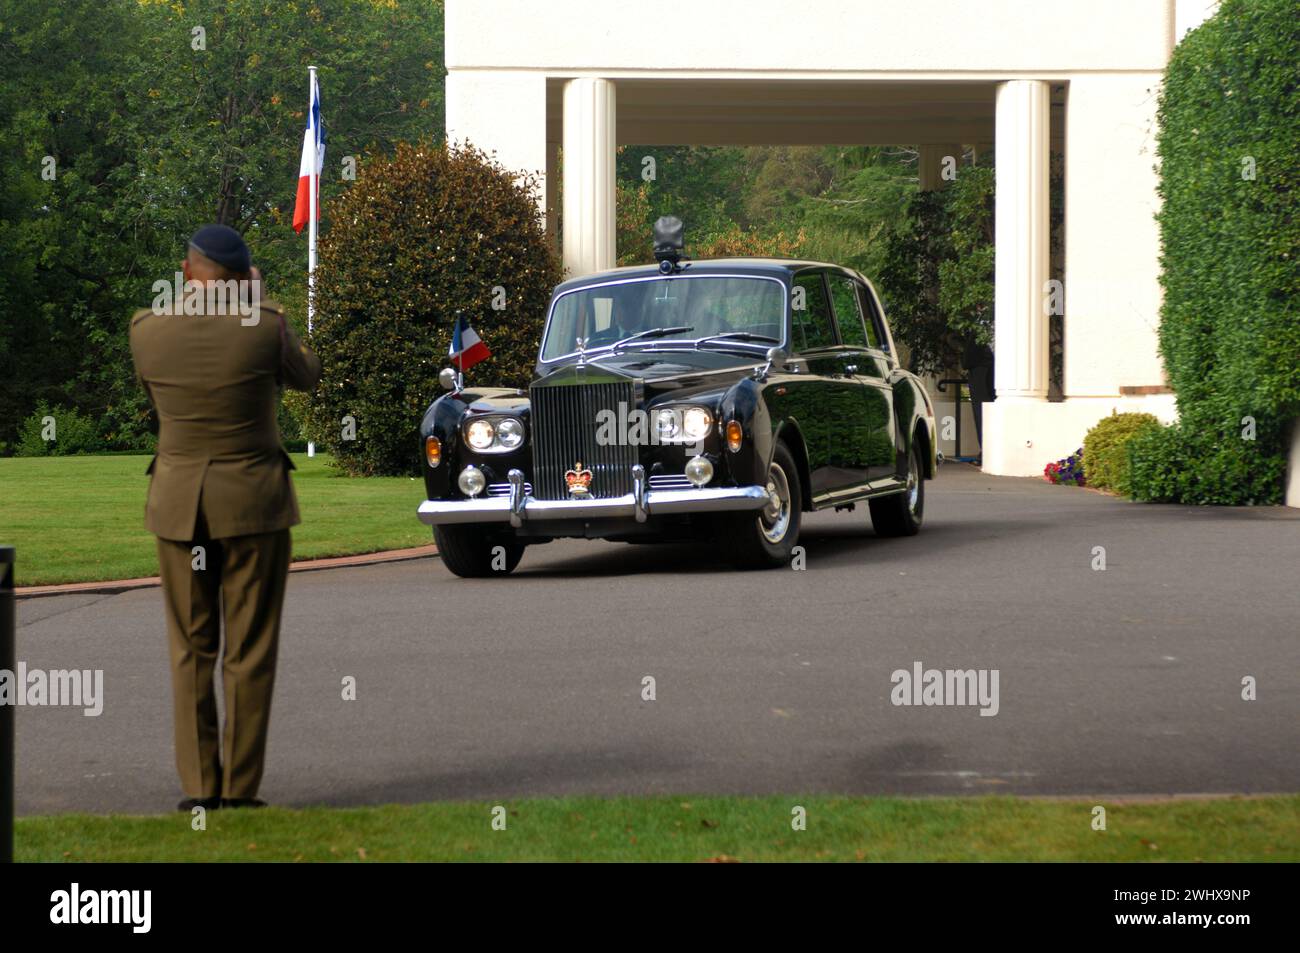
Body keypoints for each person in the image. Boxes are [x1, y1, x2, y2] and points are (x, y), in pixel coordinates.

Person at [130, 224, 321, 811]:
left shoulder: (147, 330)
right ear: (242, 276)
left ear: (188, 272)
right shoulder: (265, 325)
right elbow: (307, 376)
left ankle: (199, 788)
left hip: (179, 503)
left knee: (191, 647)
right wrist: (257, 301)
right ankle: (239, 789)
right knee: (249, 647)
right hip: (253, 503)